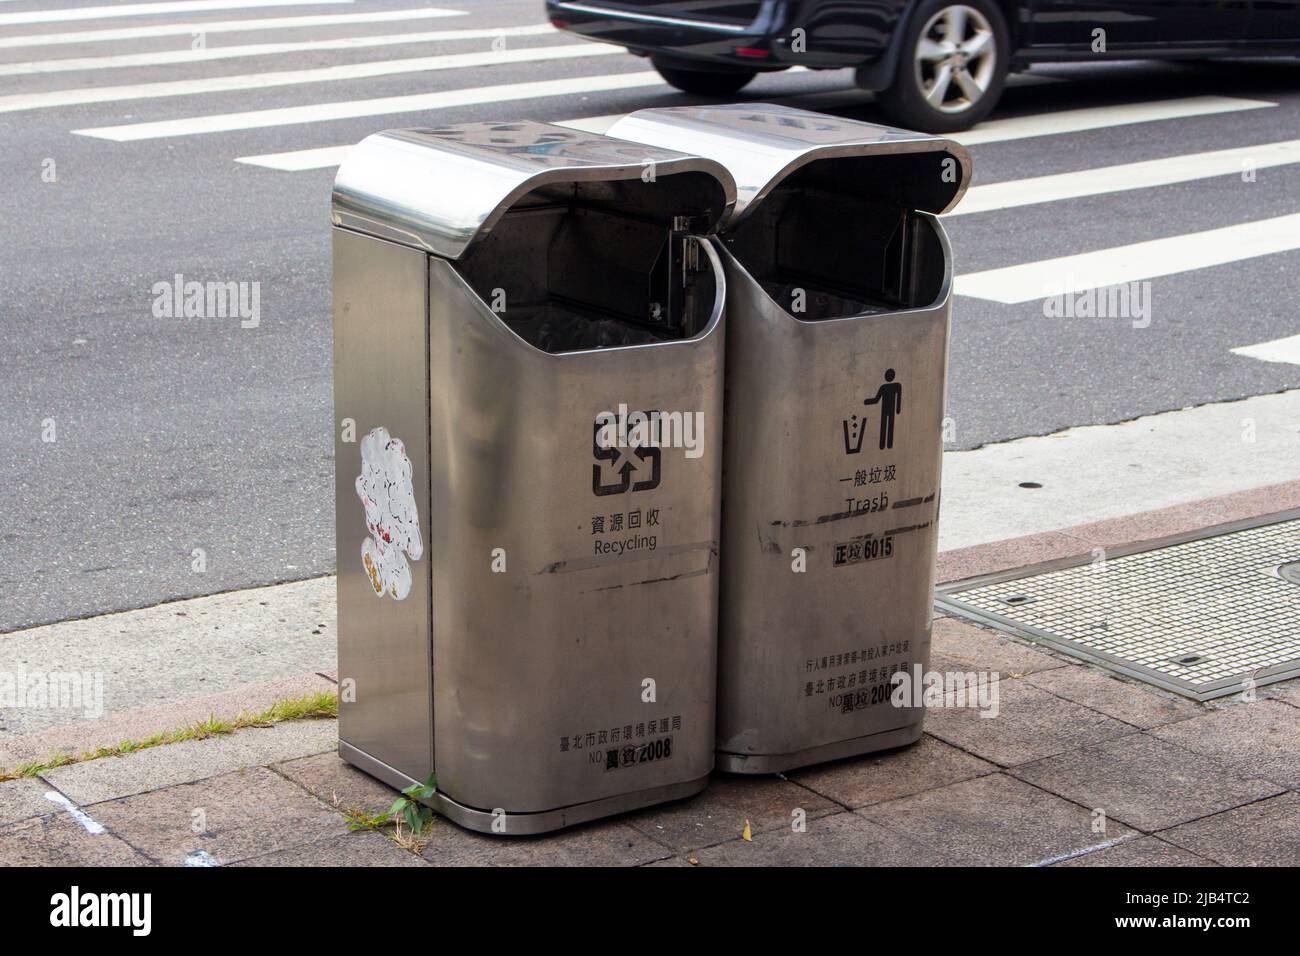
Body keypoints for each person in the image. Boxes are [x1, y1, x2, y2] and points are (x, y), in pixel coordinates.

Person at [863, 369, 902, 450]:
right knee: (887, 426)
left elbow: (898, 398)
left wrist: (898, 409)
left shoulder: (895, 386)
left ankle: (885, 446)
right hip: (887, 410)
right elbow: (877, 399)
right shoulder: (888, 387)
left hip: (887, 410)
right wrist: (867, 401)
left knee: (887, 426)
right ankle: (885, 445)